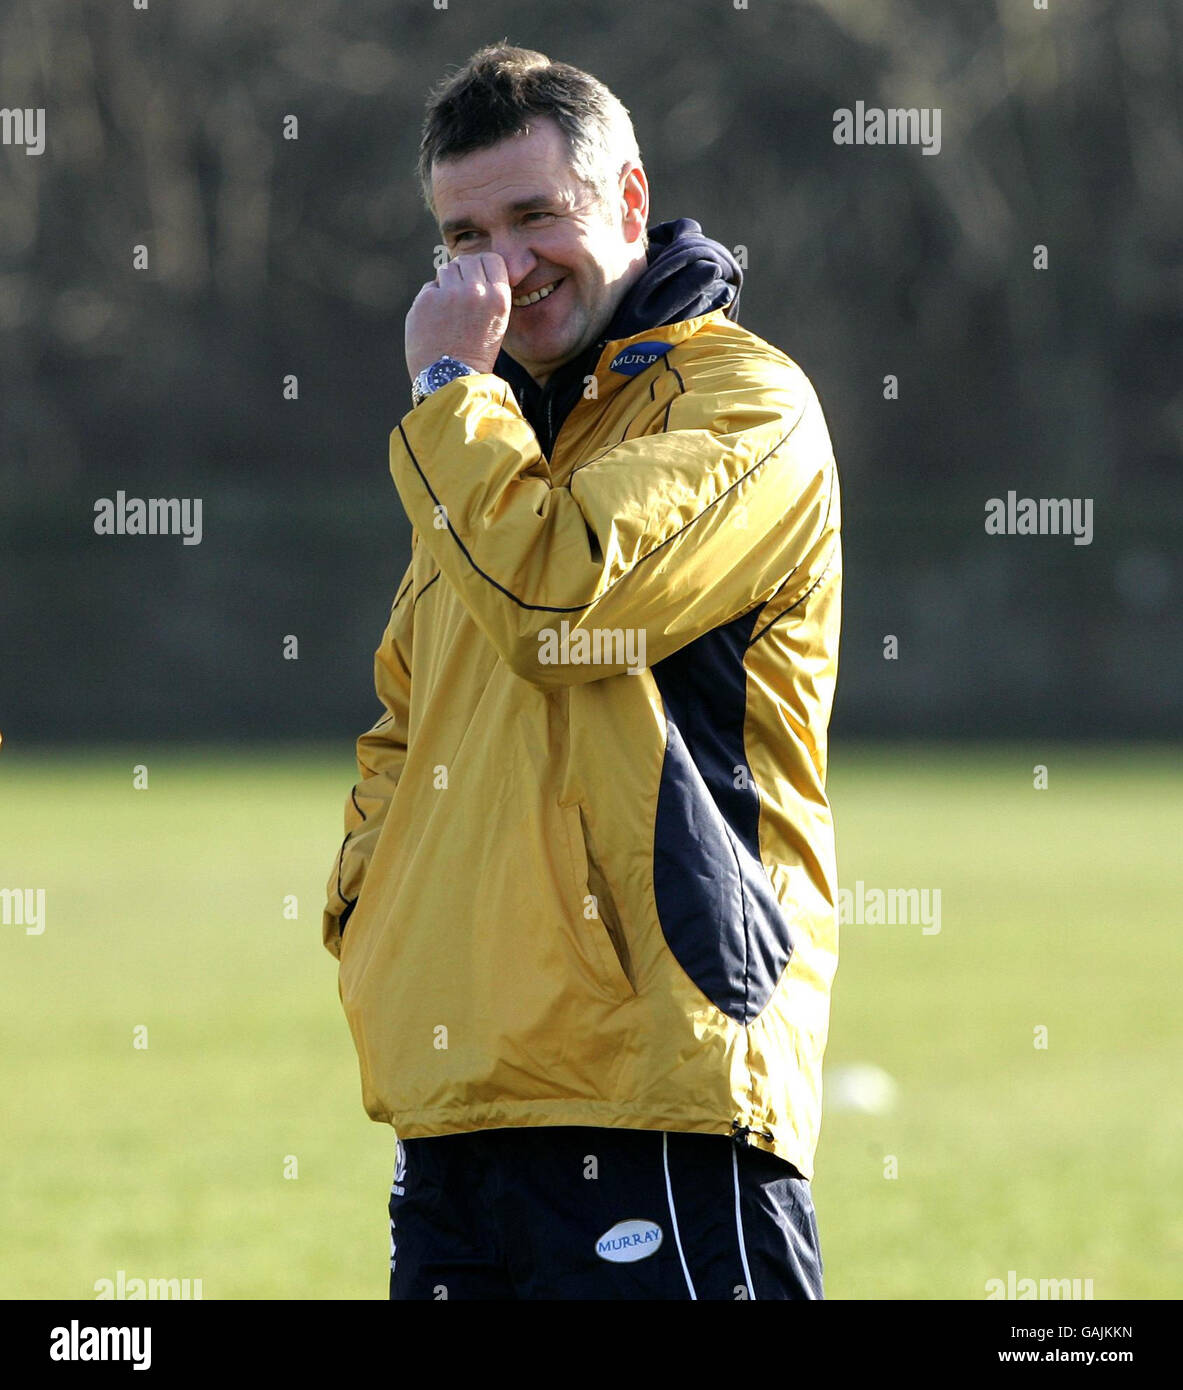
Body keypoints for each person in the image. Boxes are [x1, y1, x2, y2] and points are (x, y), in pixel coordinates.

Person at [322, 43, 843, 1301]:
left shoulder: (741, 405)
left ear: (625, 198)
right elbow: (407, 716)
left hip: (653, 1087)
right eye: (463, 235)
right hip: (456, 1101)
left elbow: (555, 604)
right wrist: (365, 907)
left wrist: (448, 386)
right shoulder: (487, 446)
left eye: (534, 215)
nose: (501, 265)